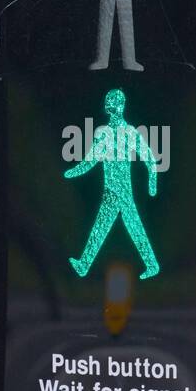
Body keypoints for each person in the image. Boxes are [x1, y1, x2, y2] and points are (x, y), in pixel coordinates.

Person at [64, 89, 159, 279]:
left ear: (121, 106)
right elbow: (90, 159)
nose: (111, 108)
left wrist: (152, 182)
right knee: (102, 229)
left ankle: (152, 264)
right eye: (109, 104)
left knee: (131, 229)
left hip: (123, 192)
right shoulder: (104, 133)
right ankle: (84, 264)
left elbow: (149, 158)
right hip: (110, 193)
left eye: (113, 104)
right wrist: (74, 172)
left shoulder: (129, 133)